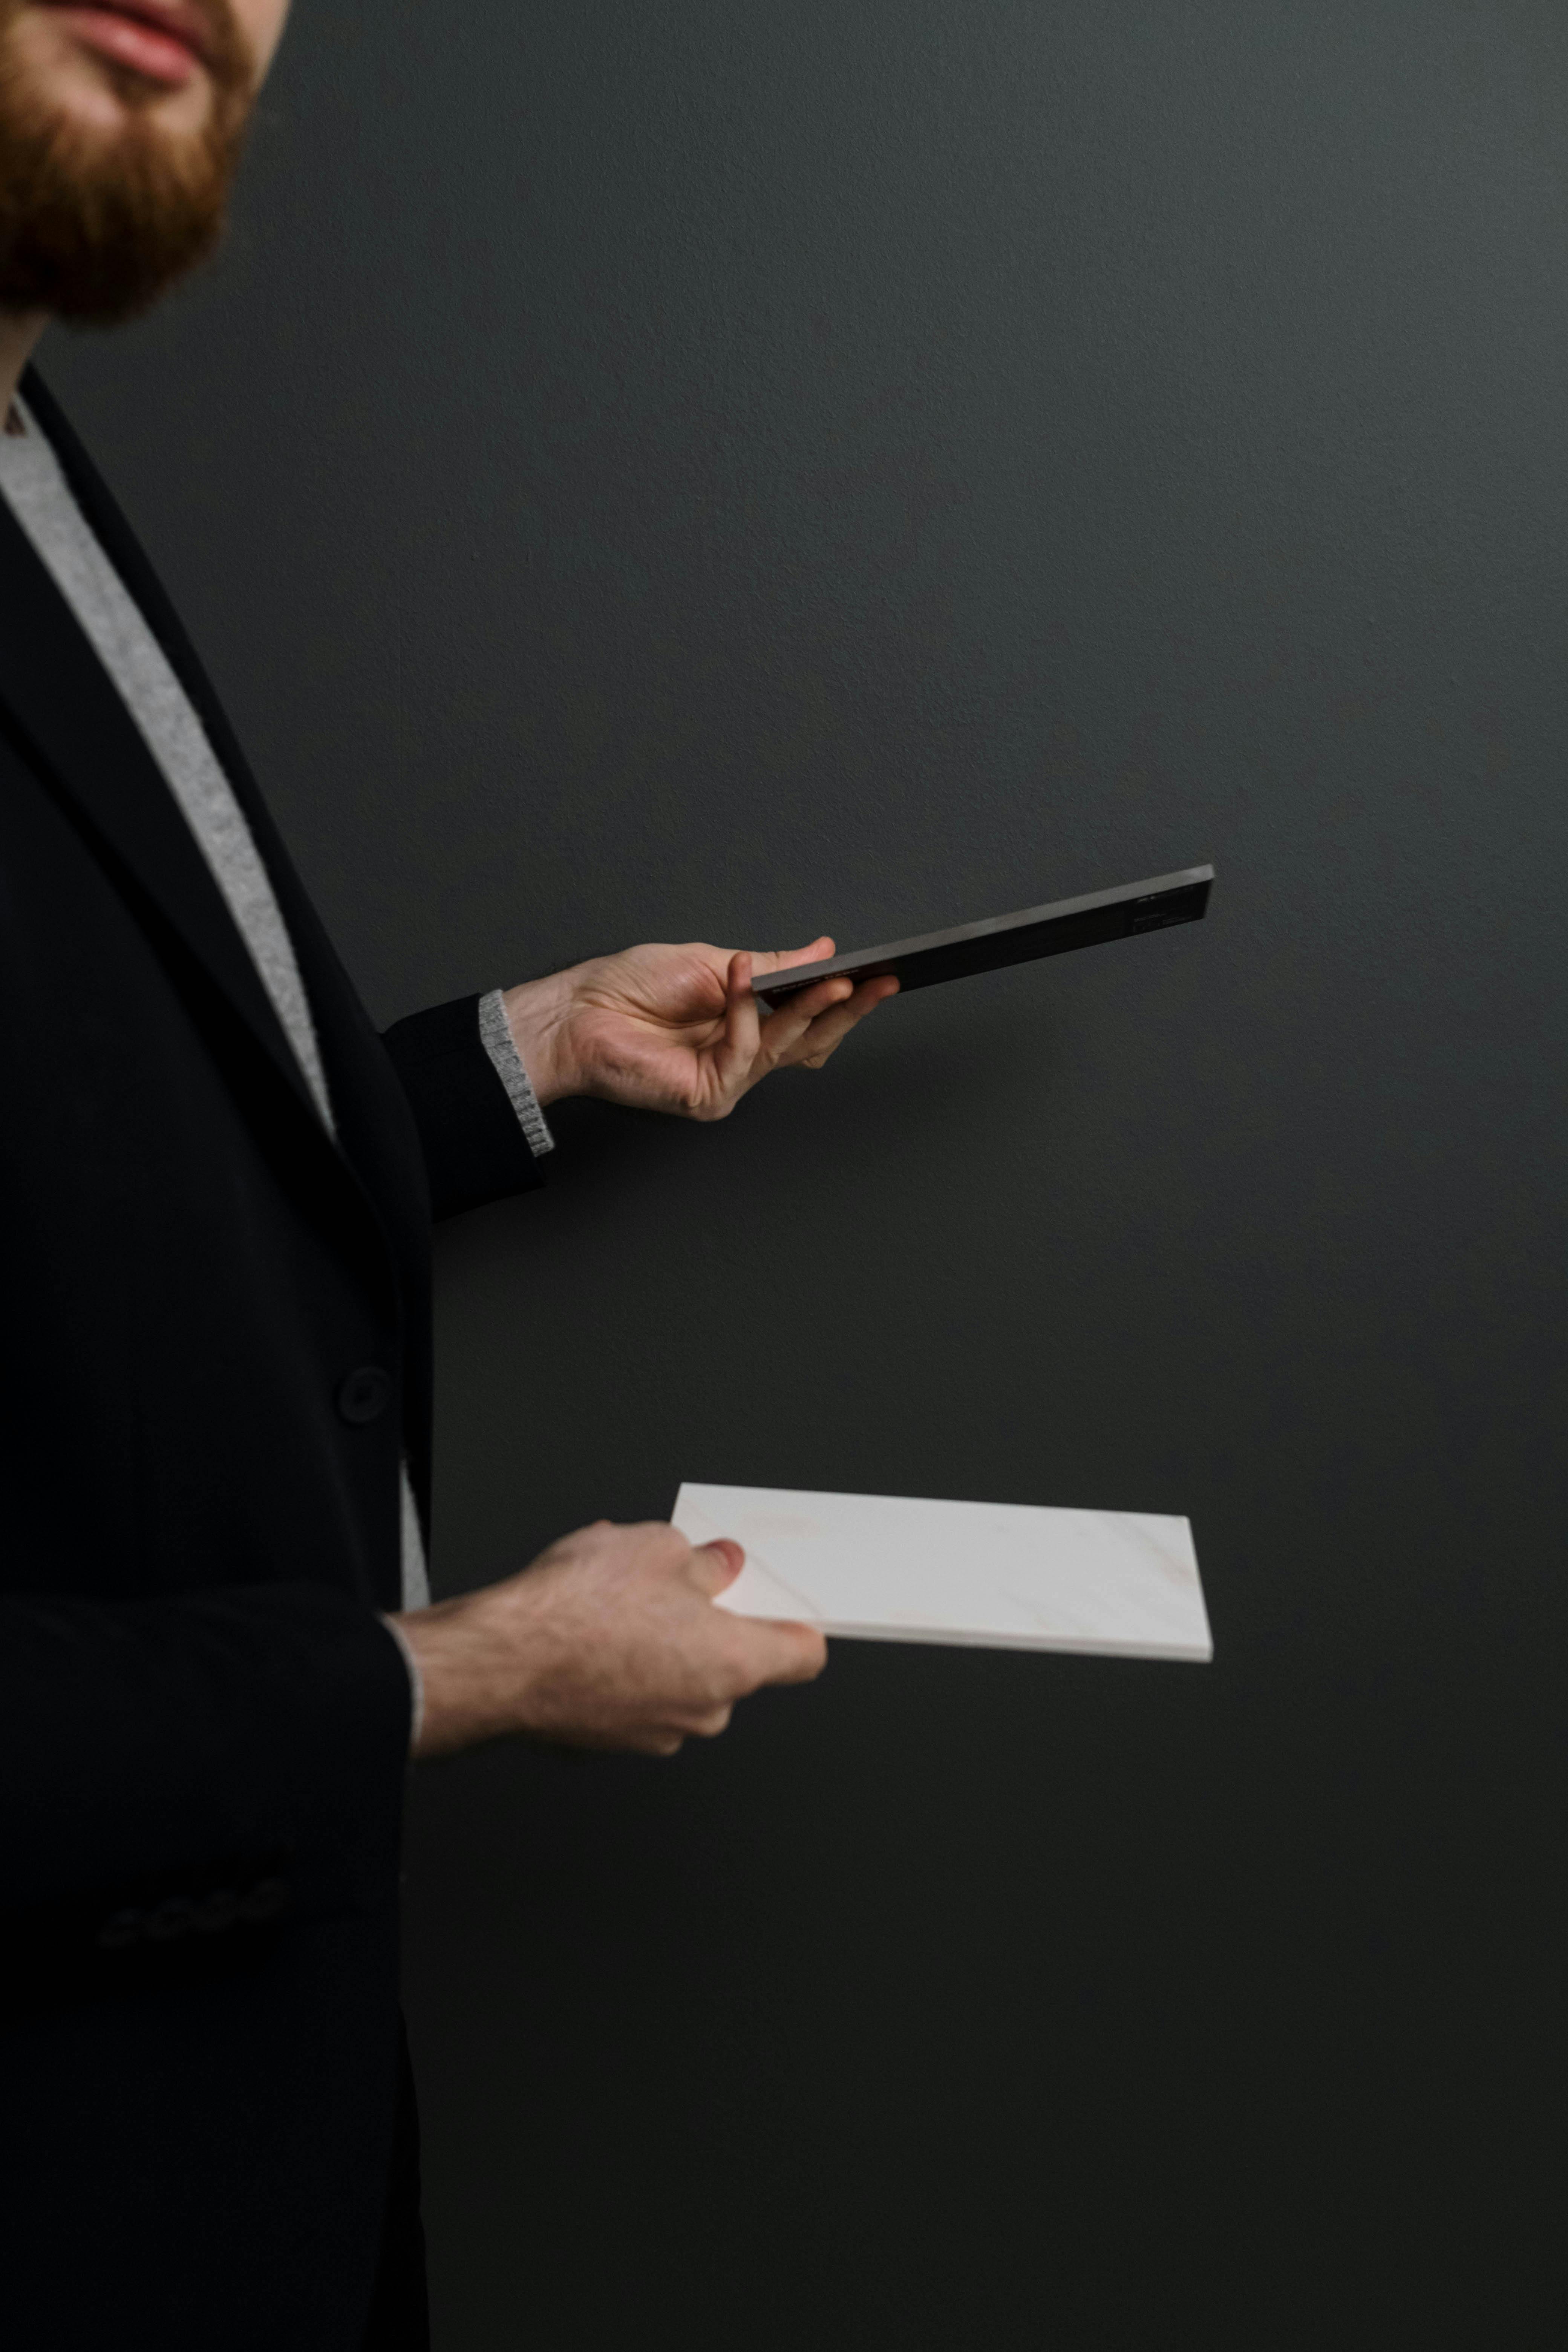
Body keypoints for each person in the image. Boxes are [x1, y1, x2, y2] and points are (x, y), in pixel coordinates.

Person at [0, 3, 897, 2344]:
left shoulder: (33, 455)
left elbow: (80, 1182)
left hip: (238, 2150)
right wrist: (460, 1676)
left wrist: (516, 1060)